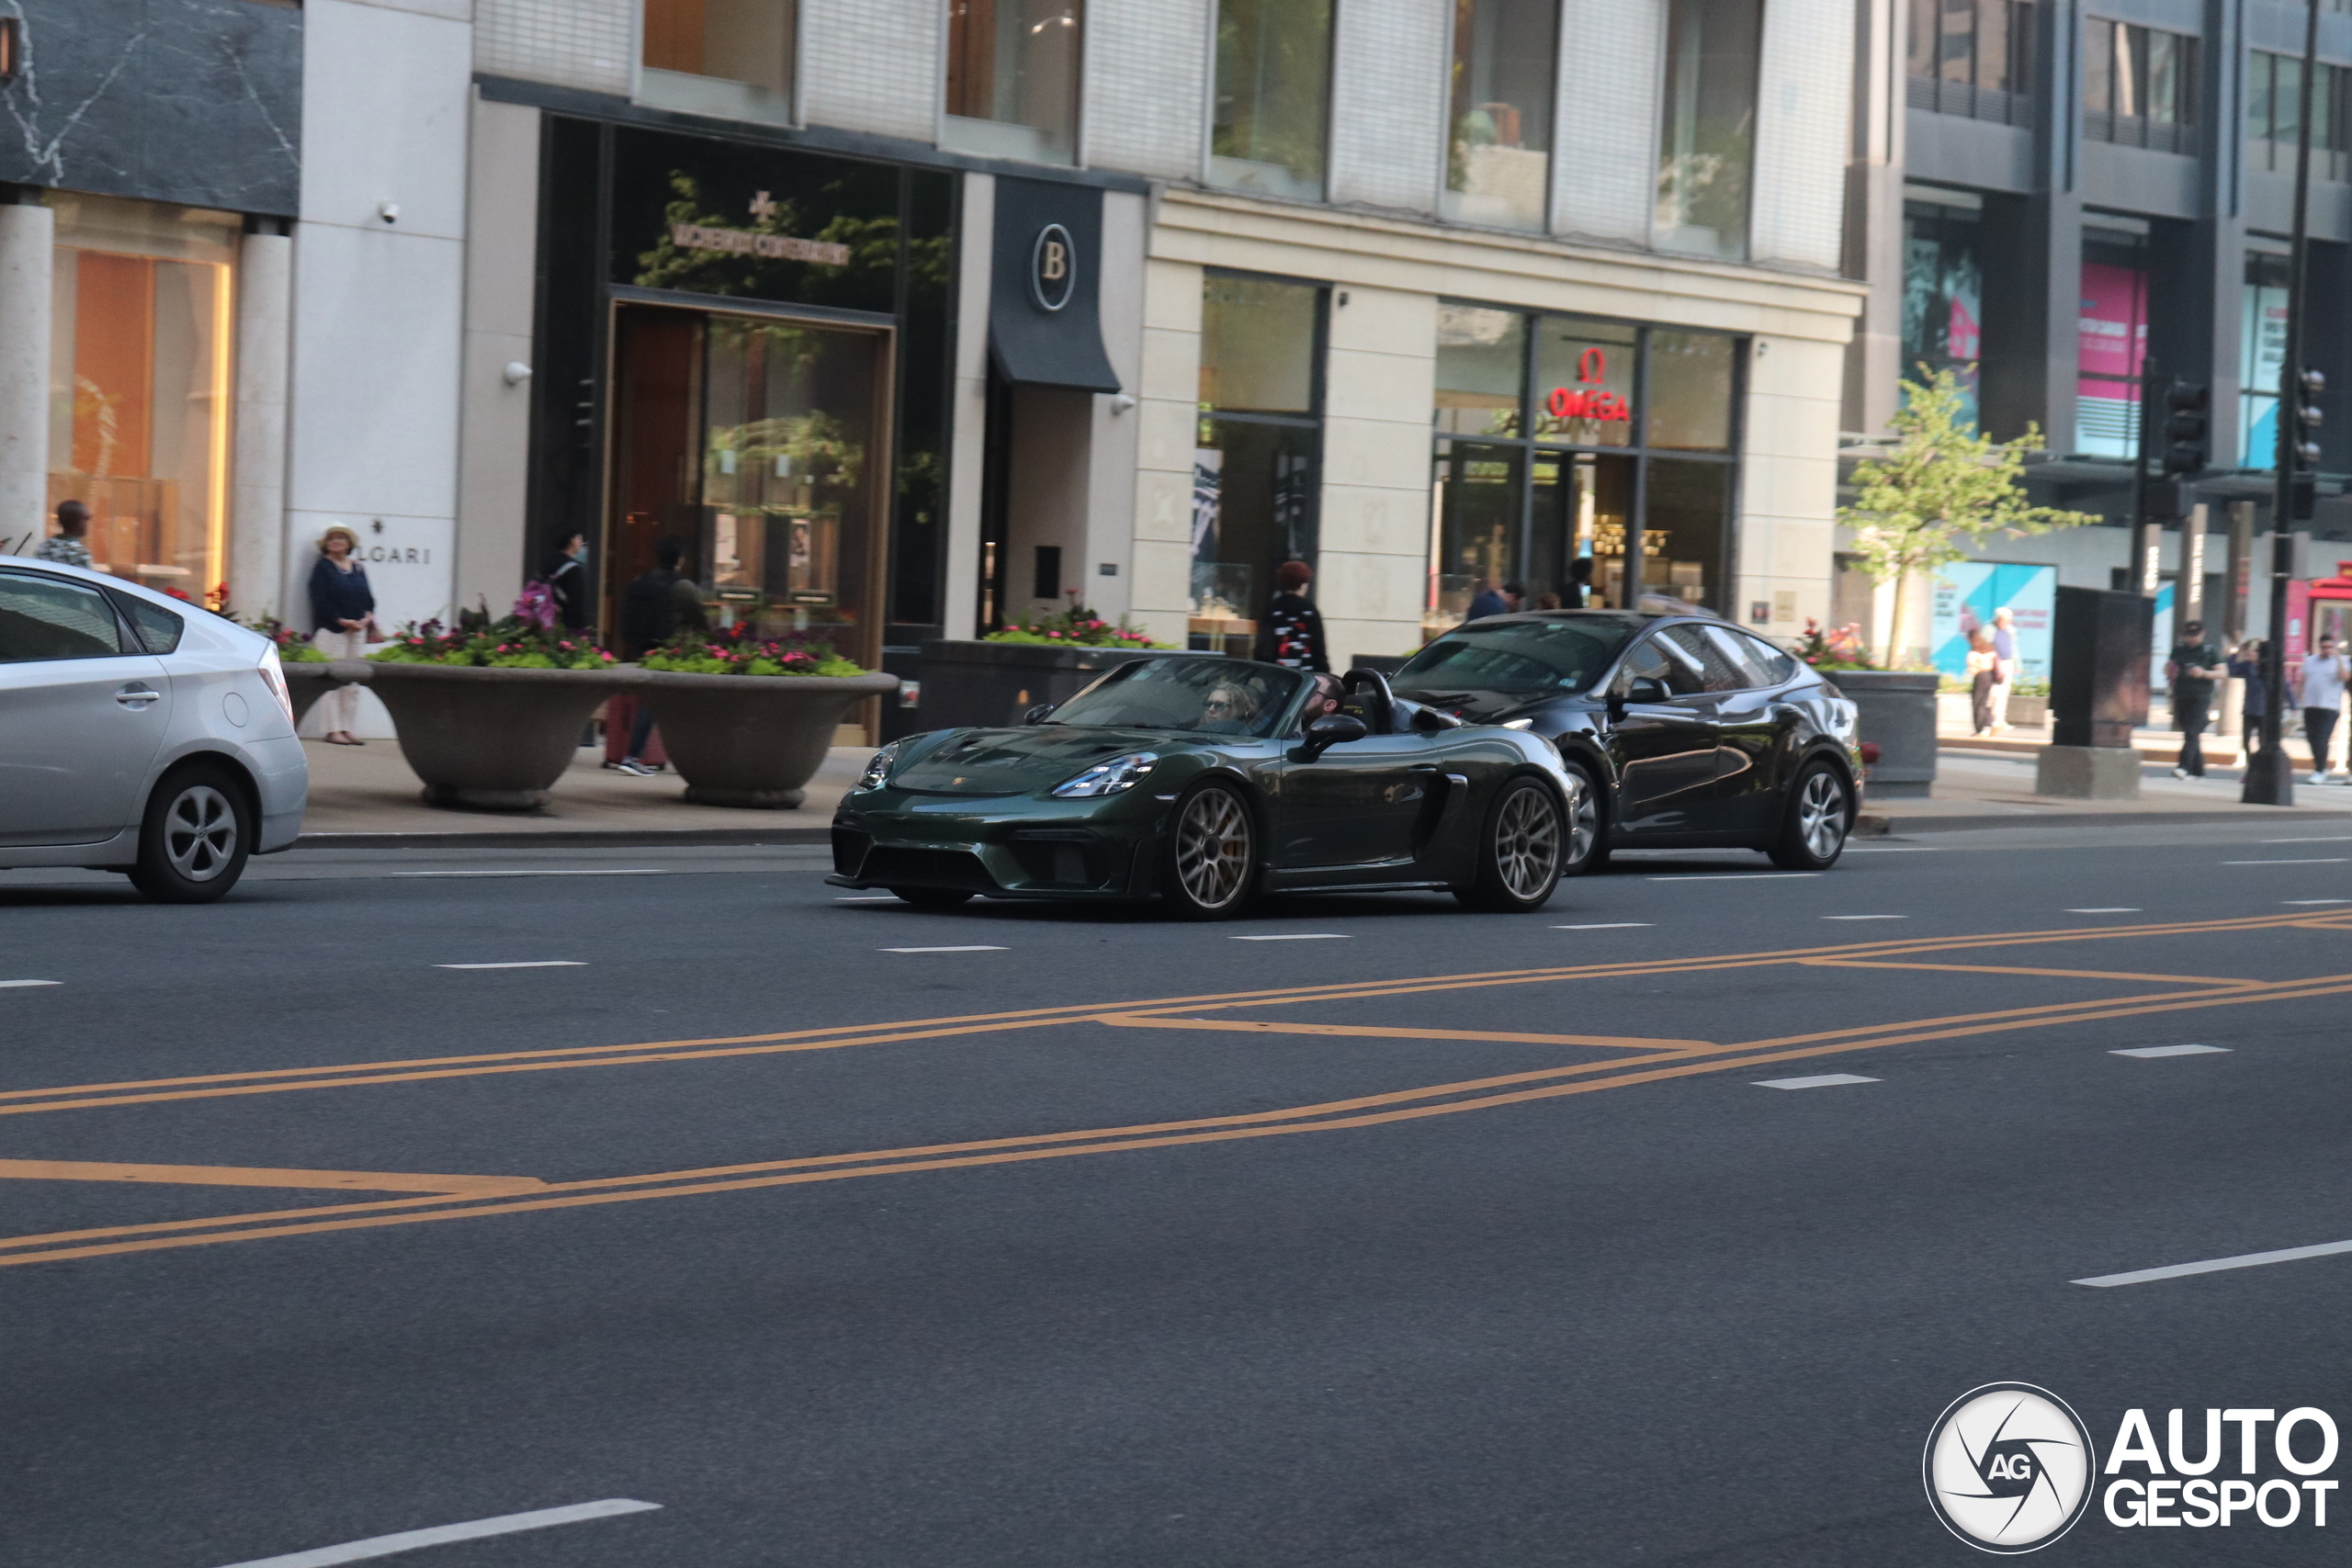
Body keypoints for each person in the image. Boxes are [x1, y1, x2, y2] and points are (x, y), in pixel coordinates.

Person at [612, 537, 707, 775]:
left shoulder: (641, 581)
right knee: (654, 702)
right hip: (668, 650)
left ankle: (642, 756)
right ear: (680, 559)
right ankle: (633, 757)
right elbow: (701, 619)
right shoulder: (683, 586)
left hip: (640, 646)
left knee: (658, 701)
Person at [307, 525, 376, 747]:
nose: (336, 542)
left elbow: (368, 599)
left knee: (352, 682)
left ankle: (348, 728)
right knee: (331, 682)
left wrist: (366, 618)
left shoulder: (358, 568)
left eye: (341, 539)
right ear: (326, 544)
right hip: (332, 631)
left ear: (349, 544)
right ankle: (333, 730)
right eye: (332, 539)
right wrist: (340, 620)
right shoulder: (323, 568)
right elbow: (319, 599)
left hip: (357, 631)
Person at [2167, 620, 2223, 778]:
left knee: (2192, 731)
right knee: (2190, 731)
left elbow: (2222, 672)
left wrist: (2204, 673)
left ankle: (2183, 767)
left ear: (2203, 634)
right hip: (2181, 694)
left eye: (2196, 635)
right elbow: (2171, 666)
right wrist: (2170, 671)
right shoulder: (2179, 650)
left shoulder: (2209, 651)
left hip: (2201, 696)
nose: (2193, 639)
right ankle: (2198, 770)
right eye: (2190, 635)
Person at [1254, 559, 1329, 671]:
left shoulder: (1272, 609)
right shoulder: (1309, 610)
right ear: (1303, 584)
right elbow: (1318, 649)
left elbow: (1263, 648)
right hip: (1306, 678)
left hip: (1277, 675)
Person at [2299, 633, 2350, 784]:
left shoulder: (2340, 661)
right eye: (2323, 647)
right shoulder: (2310, 661)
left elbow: (2344, 677)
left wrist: (2338, 659)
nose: (2326, 650)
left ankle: (2320, 770)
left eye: (2329, 647)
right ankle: (2320, 766)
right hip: (2310, 705)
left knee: (2322, 739)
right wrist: (2297, 700)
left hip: (2330, 707)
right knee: (2311, 738)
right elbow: (2302, 681)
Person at [2230, 639, 2270, 761]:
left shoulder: (2268, 668)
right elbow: (2232, 670)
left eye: (2253, 651)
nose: (2250, 654)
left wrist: (2292, 704)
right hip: (2249, 709)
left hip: (2264, 710)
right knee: (2245, 741)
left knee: (2262, 741)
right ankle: (2250, 765)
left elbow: (2285, 686)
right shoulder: (2247, 666)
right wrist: (2235, 653)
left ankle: (2261, 764)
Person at [544, 531, 590, 630]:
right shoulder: (574, 569)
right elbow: (576, 603)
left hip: (545, 622)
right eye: (579, 538)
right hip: (565, 625)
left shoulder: (546, 563)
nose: (581, 542)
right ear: (571, 541)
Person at [1985, 607, 2018, 734]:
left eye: (2009, 620)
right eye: (2005, 620)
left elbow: (2013, 647)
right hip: (1994, 664)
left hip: (2007, 663)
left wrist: (2016, 663)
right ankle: (1989, 720)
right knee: (1993, 693)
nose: (2007, 623)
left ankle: (2000, 720)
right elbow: (1985, 645)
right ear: (1998, 619)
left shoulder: (2010, 630)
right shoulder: (1989, 628)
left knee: (2004, 693)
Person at [35, 500, 93, 569]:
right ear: (77, 522)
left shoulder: (44, 547)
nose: (87, 523)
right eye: (86, 518)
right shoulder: (79, 553)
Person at [1964, 627, 1999, 737]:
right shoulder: (1989, 648)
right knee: (1985, 701)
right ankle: (1989, 724)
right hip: (1989, 676)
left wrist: (1975, 666)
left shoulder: (1974, 651)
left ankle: (1980, 729)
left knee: (1977, 703)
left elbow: (1972, 668)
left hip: (1980, 677)